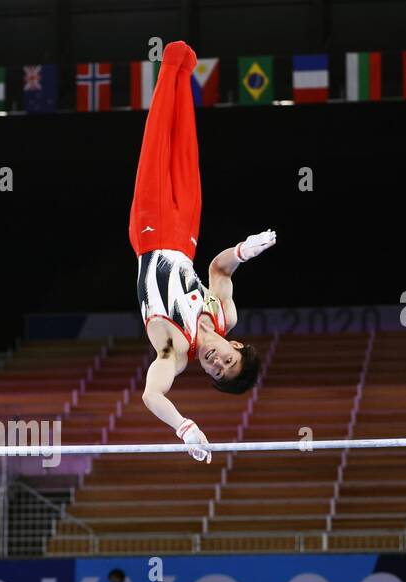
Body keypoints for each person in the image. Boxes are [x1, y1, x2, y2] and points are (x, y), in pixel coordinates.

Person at [129, 40, 277, 462]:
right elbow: (220, 270)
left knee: (158, 142)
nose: (217, 363)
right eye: (229, 362)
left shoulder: (174, 350)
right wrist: (244, 250)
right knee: (185, 150)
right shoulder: (226, 316)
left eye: (217, 372)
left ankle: (170, 67)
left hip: (151, 232)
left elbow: (152, 394)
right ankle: (185, 73)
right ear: (238, 346)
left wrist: (184, 427)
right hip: (187, 236)